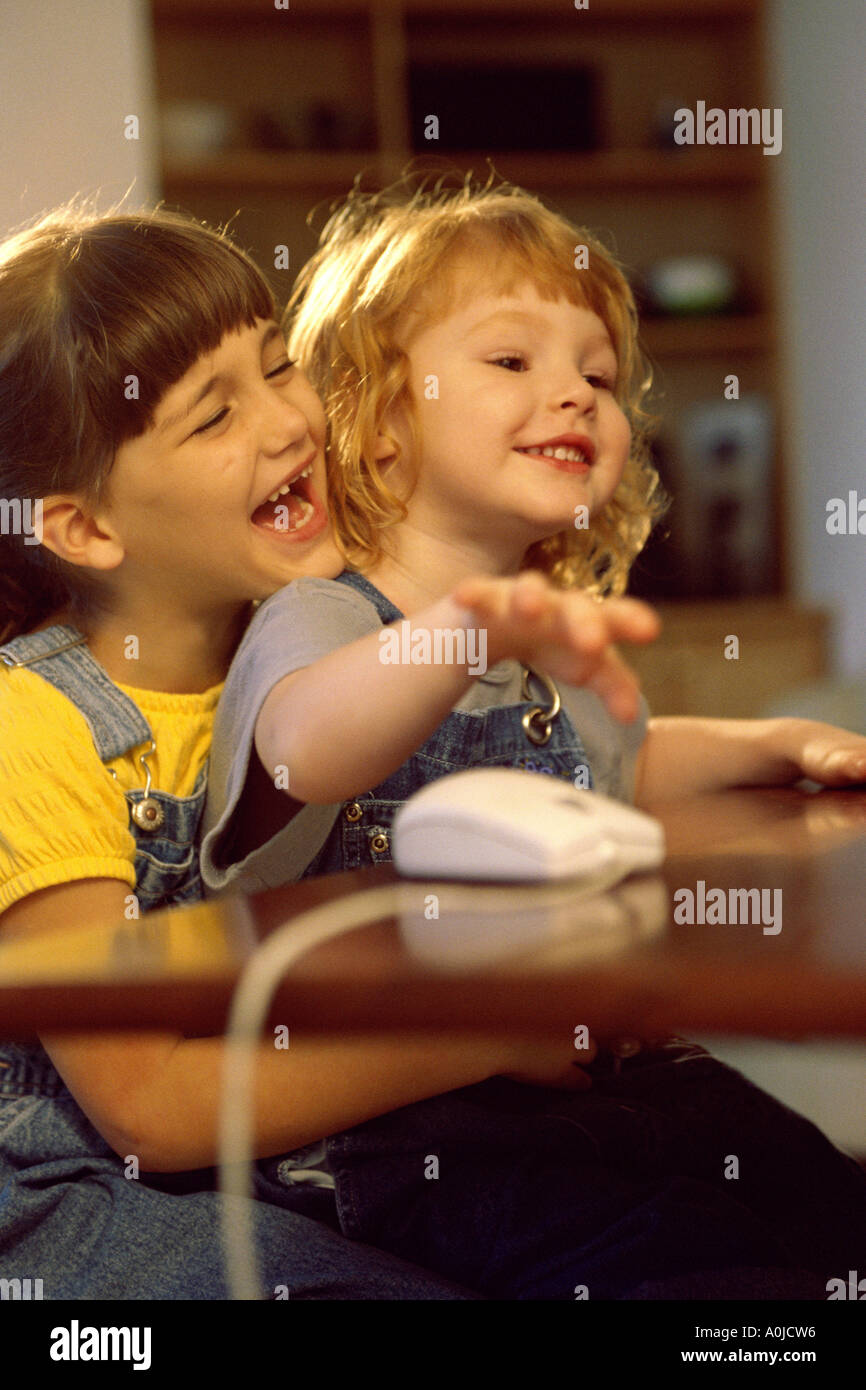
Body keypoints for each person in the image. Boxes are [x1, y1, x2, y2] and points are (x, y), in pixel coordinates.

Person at [202, 178, 866, 1300]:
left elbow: (617, 766)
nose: (571, 394)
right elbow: (303, 752)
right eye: (511, 362)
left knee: (823, 1199)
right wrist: (461, 628)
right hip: (404, 1135)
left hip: (603, 1080)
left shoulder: (535, 644)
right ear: (377, 417)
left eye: (595, 376)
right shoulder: (321, 619)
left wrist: (770, 746)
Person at [0, 203, 488, 1299]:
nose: (289, 422)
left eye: (280, 366)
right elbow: (150, 1108)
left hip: (270, 1164)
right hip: (68, 1201)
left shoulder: (311, 663)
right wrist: (490, 1034)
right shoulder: (32, 728)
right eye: (215, 415)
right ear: (84, 529)